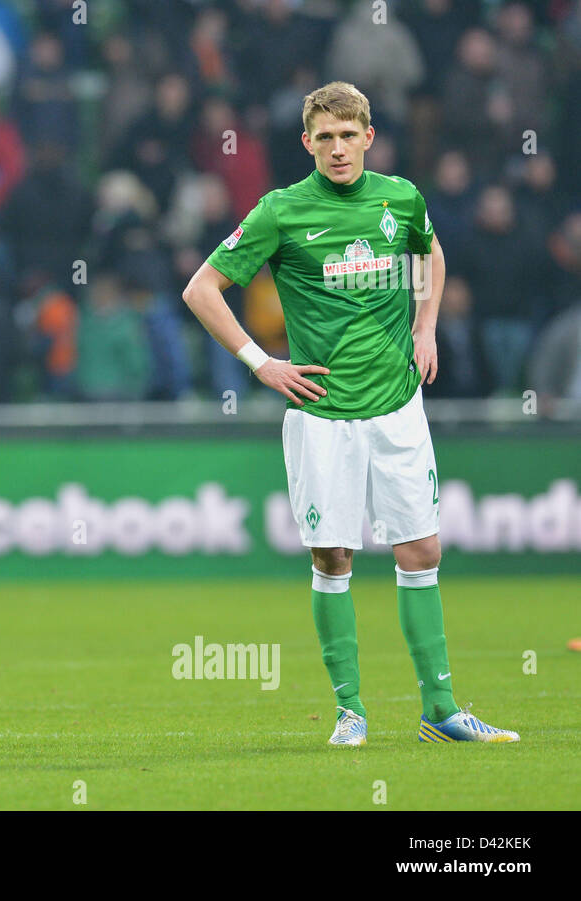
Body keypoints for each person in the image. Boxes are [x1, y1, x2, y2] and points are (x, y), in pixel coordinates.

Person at [182, 82, 518, 746]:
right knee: (333, 555)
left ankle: (441, 710)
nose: (338, 148)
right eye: (324, 137)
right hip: (323, 412)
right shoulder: (281, 211)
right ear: (307, 143)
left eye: (348, 134)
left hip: (397, 404)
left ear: (369, 135)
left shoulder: (401, 197)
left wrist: (426, 328)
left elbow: (428, 251)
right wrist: (261, 363)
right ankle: (350, 711)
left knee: (421, 547)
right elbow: (202, 288)